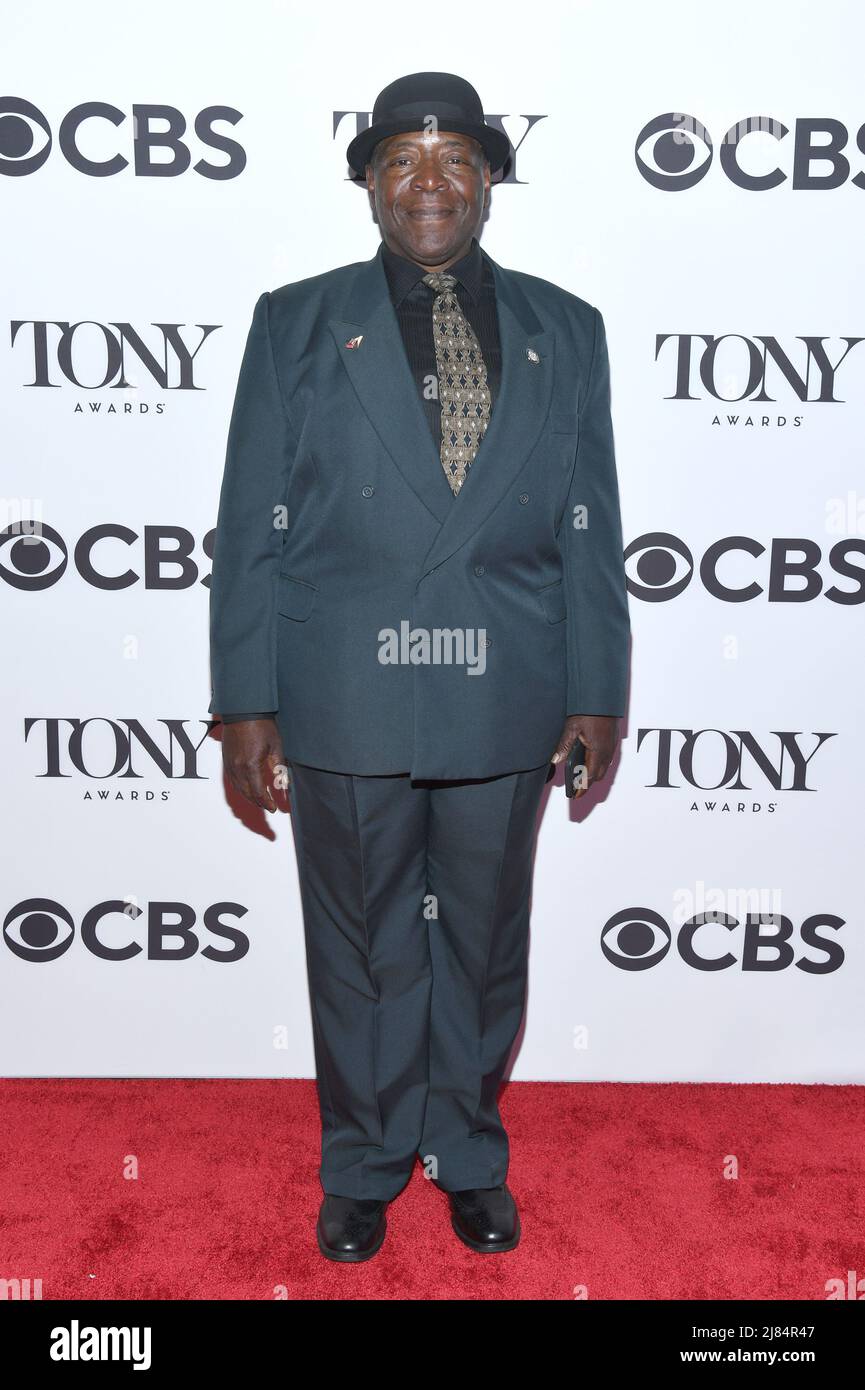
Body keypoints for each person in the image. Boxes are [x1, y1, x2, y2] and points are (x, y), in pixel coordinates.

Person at [208, 71, 630, 1262]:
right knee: (359, 943)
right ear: (368, 186)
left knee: (485, 938)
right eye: (402, 161)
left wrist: (597, 688)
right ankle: (364, 1162)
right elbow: (248, 522)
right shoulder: (296, 320)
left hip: (510, 690)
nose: (430, 183)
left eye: (455, 161)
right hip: (344, 687)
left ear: (491, 179)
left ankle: (468, 1152)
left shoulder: (567, 327)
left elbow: (592, 520)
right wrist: (245, 699)